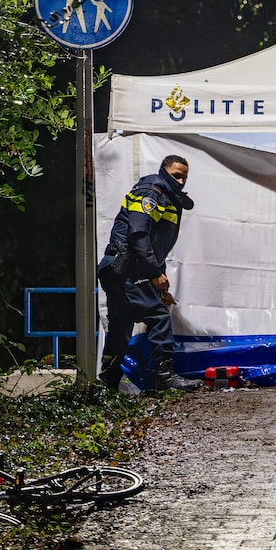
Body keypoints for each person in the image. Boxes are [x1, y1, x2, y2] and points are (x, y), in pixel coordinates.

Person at [97, 155, 203, 392]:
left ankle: (107, 383)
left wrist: (158, 282)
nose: (181, 181)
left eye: (184, 177)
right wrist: (154, 273)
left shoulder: (165, 195)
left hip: (123, 268)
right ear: (164, 171)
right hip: (127, 267)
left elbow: (154, 247)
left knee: (121, 327)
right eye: (177, 175)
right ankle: (165, 378)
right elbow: (138, 235)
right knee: (158, 317)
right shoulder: (152, 192)